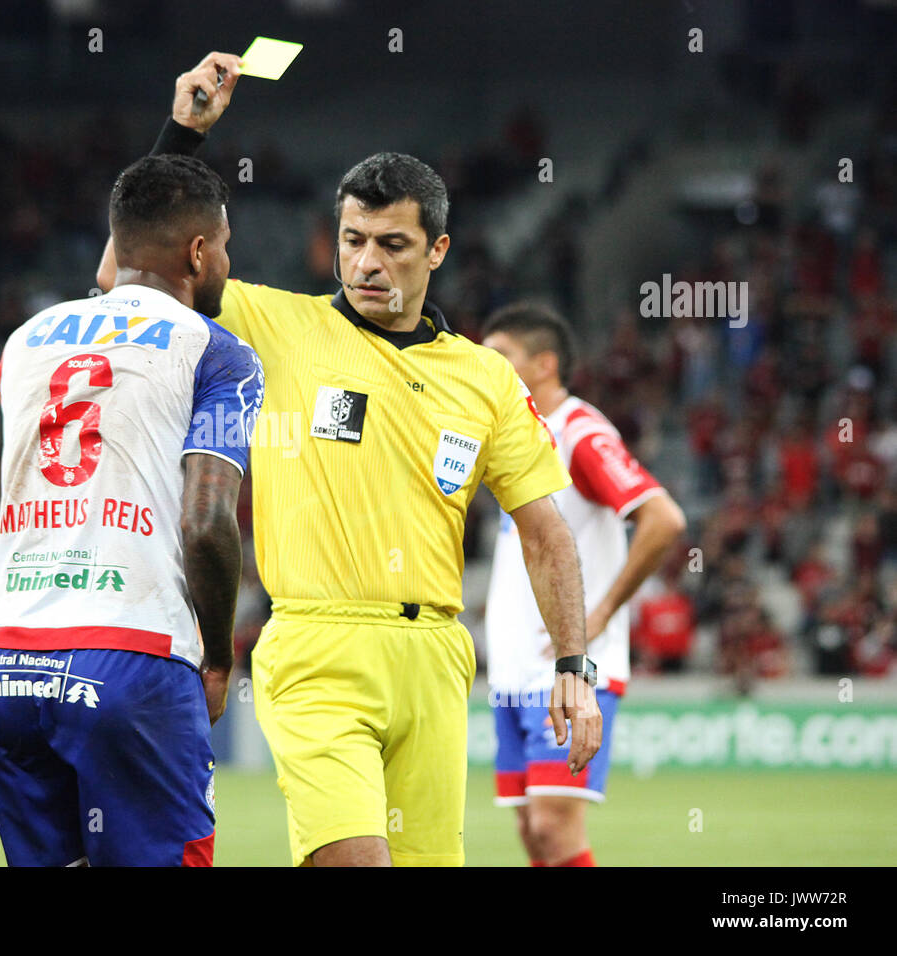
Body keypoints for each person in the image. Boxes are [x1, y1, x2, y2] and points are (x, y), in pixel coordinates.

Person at [96, 53, 601, 867]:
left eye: (392, 245)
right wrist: (182, 135)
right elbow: (128, 276)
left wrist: (575, 665)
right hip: (314, 645)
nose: (367, 262)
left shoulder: (485, 377)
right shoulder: (273, 326)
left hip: (436, 656)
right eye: (353, 240)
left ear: (437, 250)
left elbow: (546, 531)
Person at [0, 154, 263, 866]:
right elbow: (205, 524)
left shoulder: (25, 343)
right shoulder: (219, 355)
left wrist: (183, 136)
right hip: (132, 653)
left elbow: (114, 304)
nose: (226, 259)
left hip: (12, 658)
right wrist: (220, 657)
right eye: (223, 244)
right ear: (199, 252)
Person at [482, 301, 686, 866]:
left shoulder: (579, 432)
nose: (486, 365)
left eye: (501, 356)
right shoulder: (515, 433)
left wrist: (596, 618)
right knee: (532, 829)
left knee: (554, 824)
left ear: (544, 364)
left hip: (569, 668)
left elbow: (663, 519)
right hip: (515, 665)